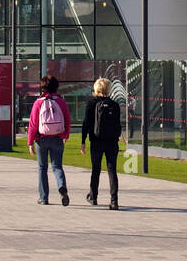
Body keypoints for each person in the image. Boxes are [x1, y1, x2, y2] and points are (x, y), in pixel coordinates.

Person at [28, 74, 71, 205]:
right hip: (57, 138)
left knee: (42, 168)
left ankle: (43, 197)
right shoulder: (61, 101)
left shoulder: (38, 102)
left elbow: (33, 124)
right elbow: (67, 120)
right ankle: (61, 187)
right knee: (57, 166)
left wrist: (30, 142)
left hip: (41, 139)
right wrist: (65, 136)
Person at [80, 77, 122, 209]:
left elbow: (86, 123)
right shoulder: (114, 105)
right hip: (112, 142)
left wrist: (83, 141)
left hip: (96, 141)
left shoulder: (92, 103)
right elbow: (118, 125)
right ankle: (114, 200)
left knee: (96, 169)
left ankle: (93, 196)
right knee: (112, 170)